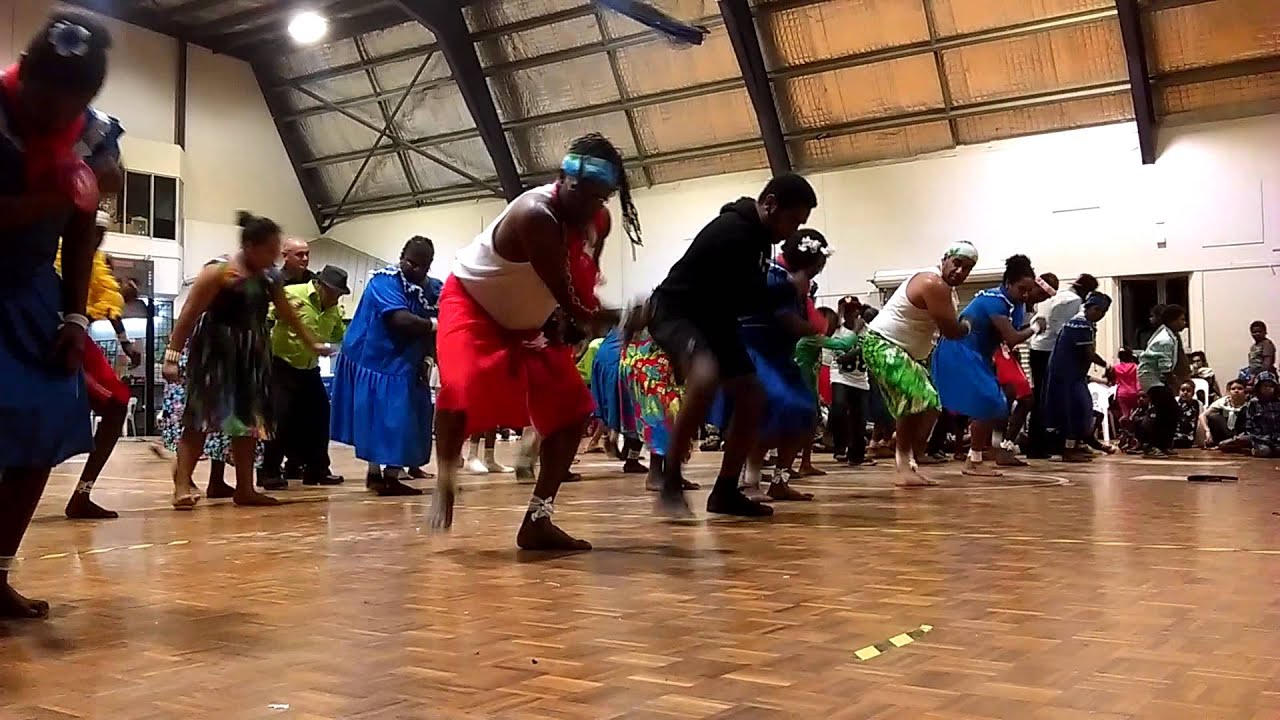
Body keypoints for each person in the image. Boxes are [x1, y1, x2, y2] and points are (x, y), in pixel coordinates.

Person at [430, 134, 637, 551]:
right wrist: (630, 315)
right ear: (562, 178)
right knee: (462, 387)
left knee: (573, 413)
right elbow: (573, 300)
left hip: (531, 320)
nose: (589, 206)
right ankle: (445, 476)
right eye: (581, 193)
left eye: (600, 198)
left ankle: (538, 520)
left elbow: (581, 289)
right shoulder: (535, 213)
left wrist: (570, 319)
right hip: (473, 306)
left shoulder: (599, 221)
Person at [0, 10, 118, 618]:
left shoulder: (93, 134)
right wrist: (63, 190)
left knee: (41, 427)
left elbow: (79, 233)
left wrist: (75, 319)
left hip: (32, 294)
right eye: (45, 96)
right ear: (26, 78)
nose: (54, 114)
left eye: (70, 102)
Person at [647, 175, 818, 517]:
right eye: (792, 220)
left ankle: (725, 491)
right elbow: (749, 298)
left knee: (752, 395)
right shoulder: (735, 232)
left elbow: (741, 297)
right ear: (770, 204)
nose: (790, 231)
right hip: (678, 313)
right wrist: (789, 288)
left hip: (714, 318)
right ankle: (669, 480)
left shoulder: (756, 236)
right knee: (706, 377)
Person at [163, 211, 331, 510]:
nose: (274, 256)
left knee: (249, 422)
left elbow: (287, 314)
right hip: (214, 353)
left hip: (252, 355)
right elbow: (188, 314)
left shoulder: (270, 277)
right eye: (269, 250)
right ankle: (181, 486)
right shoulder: (218, 272)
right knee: (200, 420)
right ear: (250, 246)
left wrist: (311, 343)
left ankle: (245, 489)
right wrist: (172, 357)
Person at [710, 229, 832, 500]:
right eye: (818, 266)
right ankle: (750, 481)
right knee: (766, 415)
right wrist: (817, 326)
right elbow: (789, 322)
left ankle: (780, 480)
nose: (819, 271)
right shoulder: (774, 276)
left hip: (779, 356)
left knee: (804, 414)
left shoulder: (794, 281)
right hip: (756, 353)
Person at [330, 237, 442, 496]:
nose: (417, 270)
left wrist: (429, 356)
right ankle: (377, 474)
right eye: (412, 263)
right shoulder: (384, 281)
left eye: (424, 266)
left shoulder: (432, 288)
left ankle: (390, 475)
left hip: (404, 361)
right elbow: (399, 319)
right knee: (386, 418)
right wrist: (436, 325)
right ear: (402, 257)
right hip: (375, 358)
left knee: (408, 418)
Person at [863, 242, 978, 485]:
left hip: (908, 352)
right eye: (957, 264)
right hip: (883, 344)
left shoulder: (947, 290)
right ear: (944, 259)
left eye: (967, 268)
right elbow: (952, 330)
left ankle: (906, 454)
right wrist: (967, 325)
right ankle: (903, 462)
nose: (960, 271)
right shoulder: (933, 282)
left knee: (932, 406)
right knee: (919, 397)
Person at [54, 209, 140, 519]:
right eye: (92, 232)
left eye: (101, 235)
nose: (97, 240)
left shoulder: (98, 263)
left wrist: (125, 341)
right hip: (45, 332)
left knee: (117, 404)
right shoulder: (51, 249)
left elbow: (108, 303)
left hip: (78, 338)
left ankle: (83, 493)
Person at [932, 255, 1042, 476]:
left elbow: (1007, 337)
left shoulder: (1016, 303)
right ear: (1008, 283)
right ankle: (972, 459)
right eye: (1022, 289)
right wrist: (1036, 327)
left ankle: (977, 456)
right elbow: (1011, 338)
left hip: (979, 355)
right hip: (959, 351)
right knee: (988, 401)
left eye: (1029, 290)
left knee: (992, 403)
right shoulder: (994, 300)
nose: (1026, 294)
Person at [257, 265, 349, 490]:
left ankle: (317, 469)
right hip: (282, 366)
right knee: (280, 418)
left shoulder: (335, 311)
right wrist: (278, 312)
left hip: (309, 369)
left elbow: (339, 335)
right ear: (320, 286)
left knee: (320, 416)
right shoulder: (292, 293)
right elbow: (266, 314)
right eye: (334, 292)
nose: (336, 297)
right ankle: (269, 471)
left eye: (340, 294)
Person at [1025, 273, 1101, 458]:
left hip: (1040, 347)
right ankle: (1046, 445)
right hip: (1049, 350)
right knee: (1052, 399)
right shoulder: (1074, 300)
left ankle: (1043, 444)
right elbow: (1062, 328)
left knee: (1043, 397)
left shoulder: (1062, 296)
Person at [993, 273, 1057, 465]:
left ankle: (1002, 445)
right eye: (1041, 294)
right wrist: (1035, 327)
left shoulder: (1026, 306)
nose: (1041, 299)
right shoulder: (1010, 300)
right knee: (1012, 397)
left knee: (1019, 399)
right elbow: (1008, 333)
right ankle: (996, 445)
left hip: (1007, 352)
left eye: (1046, 298)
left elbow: (1015, 333)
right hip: (995, 350)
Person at [1042, 292, 1113, 462]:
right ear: (1094, 309)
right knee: (1075, 410)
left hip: (1074, 375)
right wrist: (1107, 366)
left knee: (1082, 408)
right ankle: (1069, 449)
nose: (1102, 316)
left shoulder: (1082, 323)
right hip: (1067, 376)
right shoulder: (1079, 324)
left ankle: (1079, 444)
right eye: (1101, 312)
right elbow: (1088, 353)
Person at [797, 306, 857, 474]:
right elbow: (843, 344)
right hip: (801, 385)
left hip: (806, 385)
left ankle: (804, 464)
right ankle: (792, 466)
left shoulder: (811, 339)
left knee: (809, 425)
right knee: (802, 426)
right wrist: (855, 330)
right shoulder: (812, 338)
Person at [591, 326, 647, 474]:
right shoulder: (652, 313)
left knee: (612, 406)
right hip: (622, 359)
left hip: (604, 357)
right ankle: (632, 459)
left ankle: (612, 437)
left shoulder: (628, 312)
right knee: (638, 408)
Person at [1136, 303, 1189, 458]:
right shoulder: (1165, 339)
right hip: (1151, 377)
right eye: (1181, 320)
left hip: (1156, 377)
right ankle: (1150, 445)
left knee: (1169, 411)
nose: (1184, 323)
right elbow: (1164, 366)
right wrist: (1174, 382)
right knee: (1168, 410)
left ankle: (1163, 444)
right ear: (1172, 321)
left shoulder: (1170, 335)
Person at [827, 299, 874, 468]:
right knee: (838, 407)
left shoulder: (868, 331)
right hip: (840, 376)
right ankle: (839, 446)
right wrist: (857, 337)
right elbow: (841, 358)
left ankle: (856, 455)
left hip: (861, 380)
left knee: (859, 419)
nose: (853, 314)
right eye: (849, 311)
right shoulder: (838, 332)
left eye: (855, 310)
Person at [1201, 379, 1250, 449]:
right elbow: (1203, 415)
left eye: (1240, 389)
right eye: (1233, 389)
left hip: (1240, 434)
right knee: (1214, 417)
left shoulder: (1250, 404)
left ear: (1245, 391)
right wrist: (1207, 431)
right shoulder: (1223, 401)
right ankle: (1221, 443)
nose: (1236, 391)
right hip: (1226, 432)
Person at [1243, 371, 1279, 457]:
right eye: (1265, 386)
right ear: (1259, 387)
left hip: (1277, 439)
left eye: (1271, 386)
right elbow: (1250, 426)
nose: (1268, 388)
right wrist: (1263, 438)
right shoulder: (1254, 403)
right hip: (1260, 439)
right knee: (1265, 451)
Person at [1111, 349, 1142, 422]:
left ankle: (1124, 428)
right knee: (1136, 413)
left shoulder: (1116, 368)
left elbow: (1114, 381)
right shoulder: (1135, 367)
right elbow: (1137, 380)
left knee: (1125, 415)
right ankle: (1134, 429)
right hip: (1134, 393)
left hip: (1122, 394)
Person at [1173, 381, 1202, 448]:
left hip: (1188, 437)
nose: (1185, 393)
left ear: (1193, 393)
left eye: (1188, 391)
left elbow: (1199, 424)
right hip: (1174, 434)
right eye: (1183, 390)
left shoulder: (1197, 404)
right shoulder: (1174, 402)